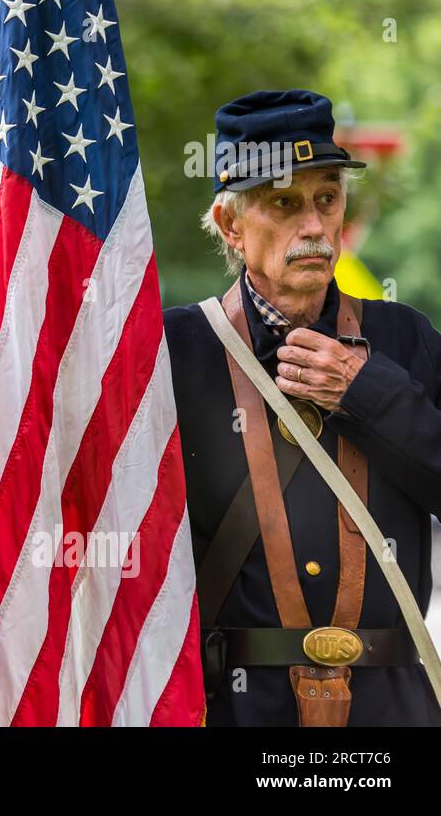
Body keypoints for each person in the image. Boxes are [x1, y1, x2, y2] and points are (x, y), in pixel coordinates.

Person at [164, 88, 441, 725]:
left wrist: (369, 394)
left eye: (326, 199)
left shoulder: (407, 339)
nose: (314, 226)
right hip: (233, 708)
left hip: (390, 708)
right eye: (284, 203)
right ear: (230, 224)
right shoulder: (173, 351)